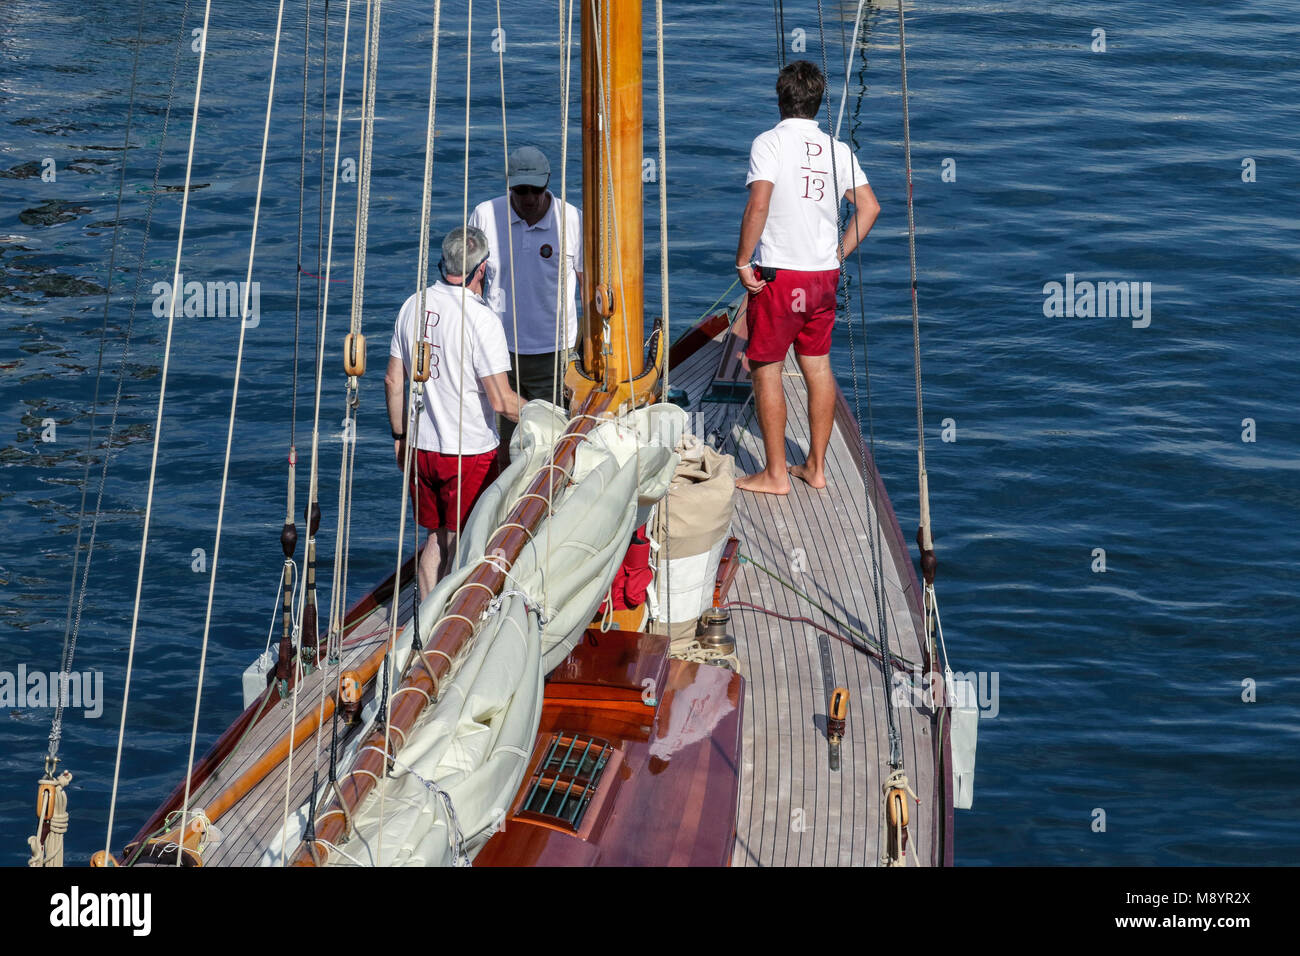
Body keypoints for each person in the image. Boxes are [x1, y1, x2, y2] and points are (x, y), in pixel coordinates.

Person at [733, 60, 880, 496]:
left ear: (781, 98)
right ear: (817, 102)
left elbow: (758, 204)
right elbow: (869, 207)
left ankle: (775, 474)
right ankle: (815, 467)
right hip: (823, 277)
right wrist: (839, 251)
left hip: (781, 276)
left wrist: (743, 261)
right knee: (817, 366)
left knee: (766, 367)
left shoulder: (769, 143)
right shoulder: (839, 150)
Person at [385, 226, 522, 598]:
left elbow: (393, 382)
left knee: (437, 538)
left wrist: (400, 438)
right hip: (469, 454)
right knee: (465, 540)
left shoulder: (413, 305)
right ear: (482, 270)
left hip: (421, 448)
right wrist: (552, 417)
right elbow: (502, 402)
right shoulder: (482, 320)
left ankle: (429, 620)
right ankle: (451, 625)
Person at [468, 145, 583, 457]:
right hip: (499, 353)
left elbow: (587, 288)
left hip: (555, 355)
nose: (529, 198)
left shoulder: (572, 220)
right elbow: (472, 284)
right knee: (501, 444)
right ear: (510, 186)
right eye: (521, 190)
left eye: (536, 190)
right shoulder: (485, 215)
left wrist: (585, 352)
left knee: (555, 440)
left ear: (547, 185)